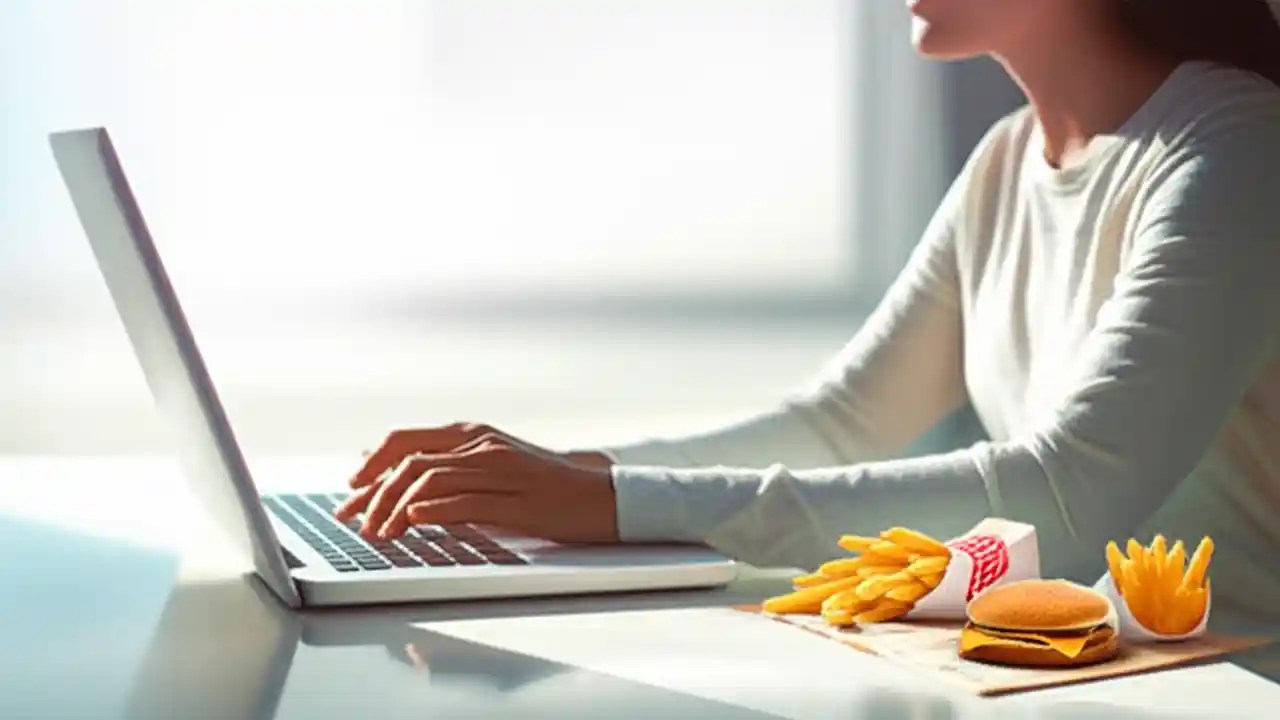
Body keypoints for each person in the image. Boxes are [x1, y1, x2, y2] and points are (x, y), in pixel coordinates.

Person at [336, 0, 1280, 620]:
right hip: (1087, 680)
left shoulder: (1236, 151)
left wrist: (614, 504)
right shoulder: (1004, 161)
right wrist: (563, 483)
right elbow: (844, 426)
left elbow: (1068, 496)